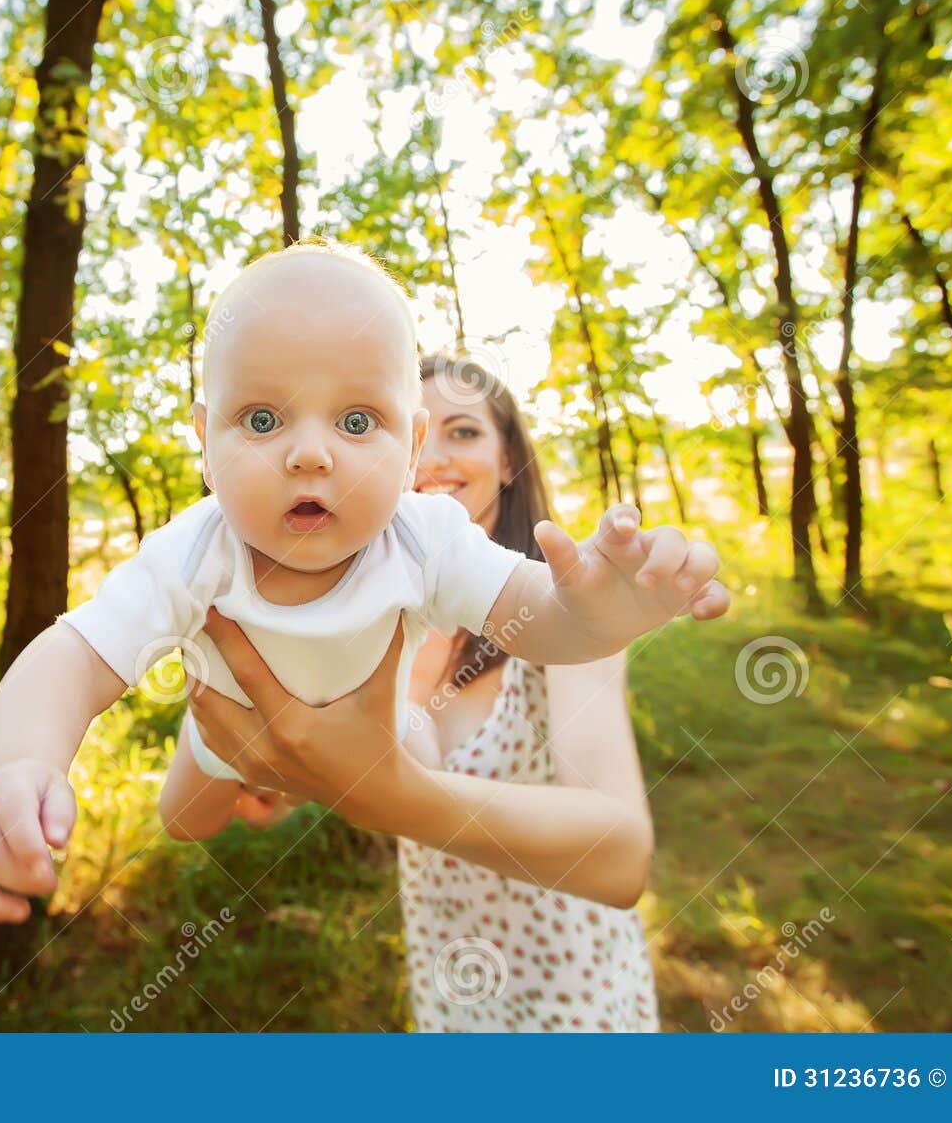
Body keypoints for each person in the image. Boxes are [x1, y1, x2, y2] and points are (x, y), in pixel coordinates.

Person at [0, 239, 726, 926]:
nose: (310, 455)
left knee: (408, 742)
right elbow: (70, 656)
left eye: (355, 422)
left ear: (407, 450)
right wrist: (15, 765)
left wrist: (600, 615)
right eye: (264, 420)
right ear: (204, 439)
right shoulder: (193, 550)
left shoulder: (425, 537)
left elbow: (534, 620)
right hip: (226, 726)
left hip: (383, 740)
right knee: (184, 814)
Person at [185, 354, 711, 1030]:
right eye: (410, 431)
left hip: (576, 1004)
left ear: (510, 460)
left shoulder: (561, 610)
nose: (432, 456)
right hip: (451, 998)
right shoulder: (365, 616)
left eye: (464, 432)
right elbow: (239, 797)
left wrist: (398, 796)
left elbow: (620, 856)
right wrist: (281, 774)